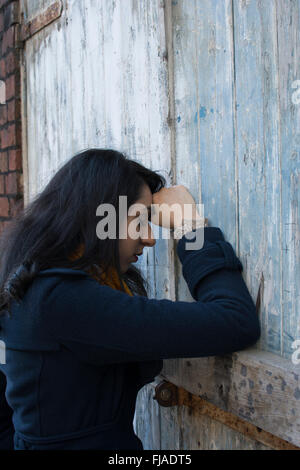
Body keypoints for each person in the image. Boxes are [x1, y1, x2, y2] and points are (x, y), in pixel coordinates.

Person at [0, 148, 260, 450]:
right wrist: (192, 227)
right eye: (139, 219)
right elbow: (235, 320)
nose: (150, 237)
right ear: (97, 217)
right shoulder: (61, 300)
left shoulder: (33, 286)